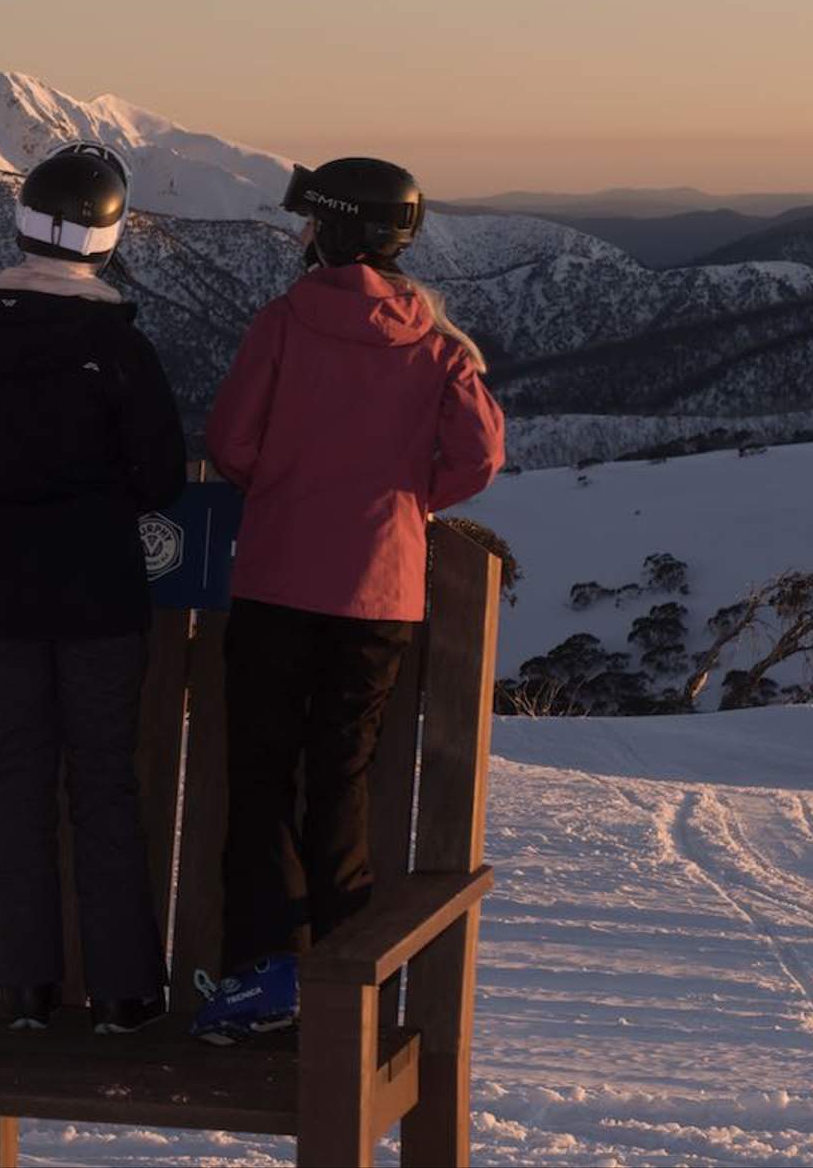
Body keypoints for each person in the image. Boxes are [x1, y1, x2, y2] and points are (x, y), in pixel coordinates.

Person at [189, 156, 505, 1043]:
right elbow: (480, 454)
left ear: (330, 231)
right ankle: (344, 973)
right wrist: (409, 498)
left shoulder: (284, 323)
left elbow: (230, 441)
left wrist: (289, 489)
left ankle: (264, 974)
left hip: (278, 580)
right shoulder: (440, 343)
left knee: (259, 780)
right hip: (380, 593)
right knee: (341, 779)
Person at [0, 141, 188, 1035]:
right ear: (107, 239)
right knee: (103, 783)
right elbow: (162, 479)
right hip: (100, 596)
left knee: (18, 777)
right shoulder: (117, 344)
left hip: (2, 593)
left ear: (24, 222)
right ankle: (125, 992)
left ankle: (25, 985)